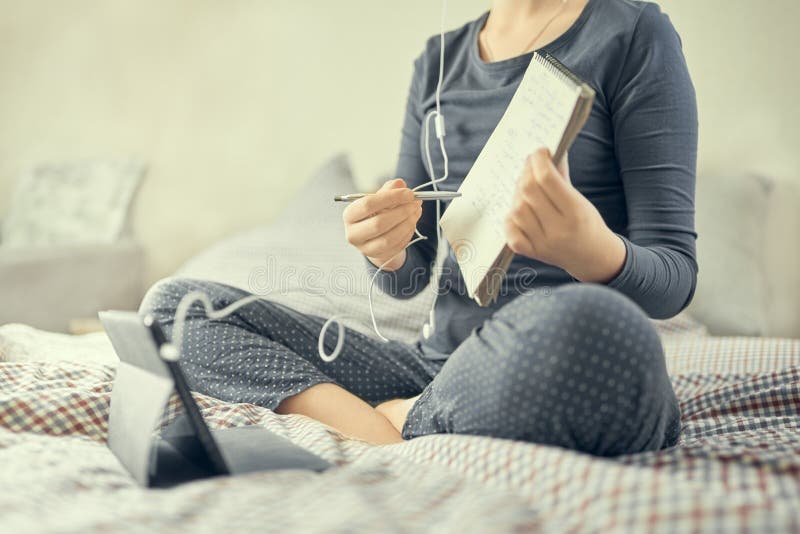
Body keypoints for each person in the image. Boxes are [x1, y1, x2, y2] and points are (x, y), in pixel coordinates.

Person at [142, 0, 697, 455]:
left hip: (563, 359)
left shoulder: (632, 34)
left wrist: (589, 250)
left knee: (596, 327)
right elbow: (407, 282)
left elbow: (673, 279)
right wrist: (386, 250)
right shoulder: (439, 60)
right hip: (433, 370)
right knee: (173, 309)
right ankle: (377, 431)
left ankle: (407, 420)